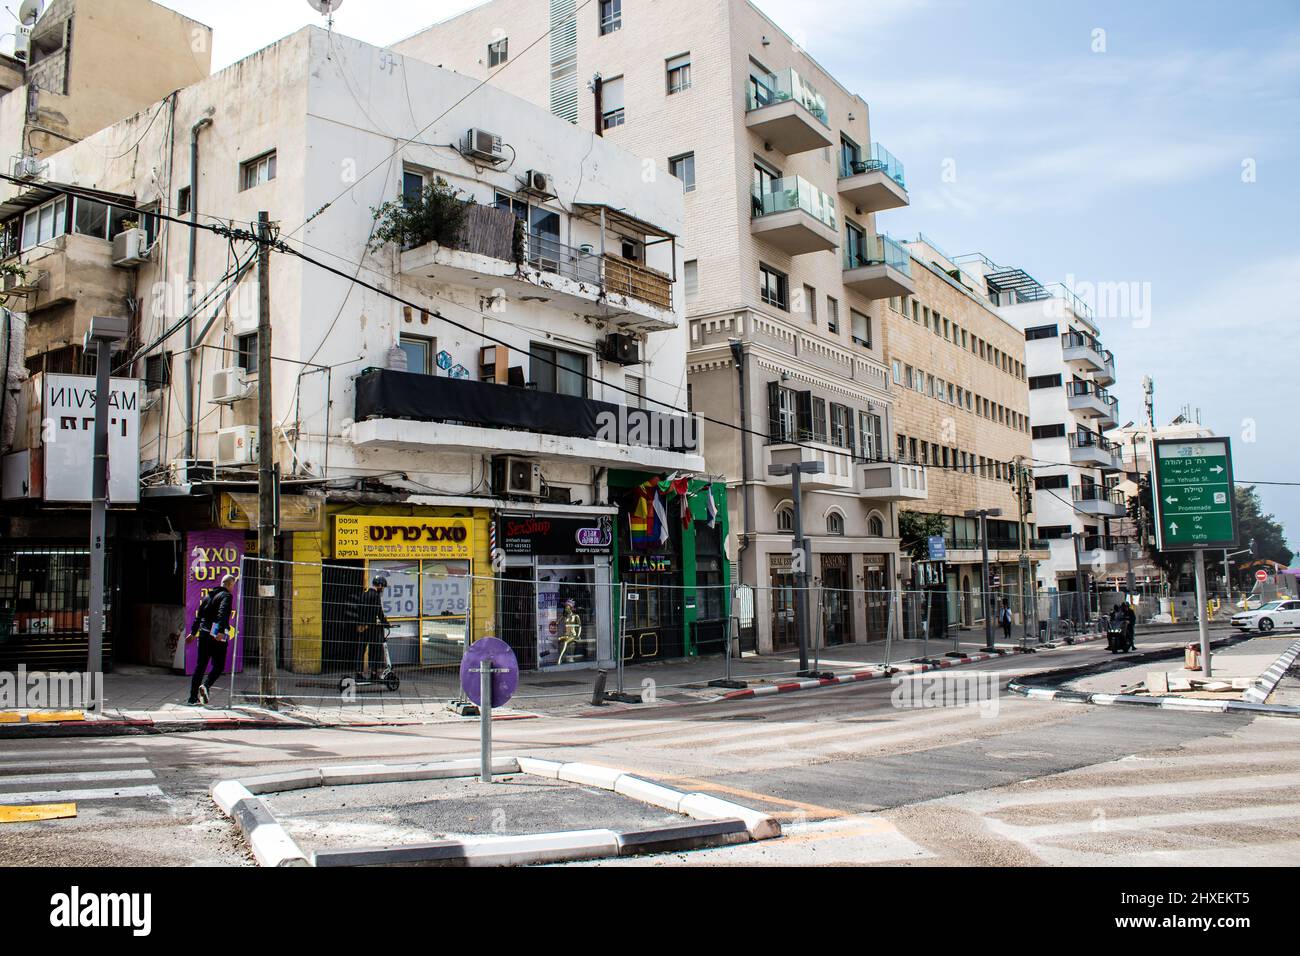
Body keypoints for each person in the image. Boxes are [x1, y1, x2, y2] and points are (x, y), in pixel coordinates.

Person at [187, 574, 235, 705]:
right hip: (216, 636)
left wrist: (193, 632)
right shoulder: (226, 596)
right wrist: (220, 630)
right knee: (219, 666)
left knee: (200, 666)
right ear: (230, 584)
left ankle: (192, 698)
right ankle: (206, 685)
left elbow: (199, 615)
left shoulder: (208, 596)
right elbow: (223, 612)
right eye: (233, 586)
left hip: (203, 634)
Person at [353, 575, 390, 679]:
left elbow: (359, 610)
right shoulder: (375, 595)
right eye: (382, 587)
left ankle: (358, 673)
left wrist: (360, 623)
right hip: (371, 627)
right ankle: (373, 673)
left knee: (361, 650)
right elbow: (378, 611)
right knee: (375, 649)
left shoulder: (364, 593)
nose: (382, 589)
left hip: (361, 626)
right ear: (379, 585)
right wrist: (386, 623)